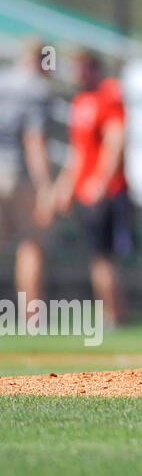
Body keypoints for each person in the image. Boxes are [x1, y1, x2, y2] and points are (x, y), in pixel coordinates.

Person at [51, 50, 130, 326]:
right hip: (84, 191)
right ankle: (112, 314)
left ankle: (115, 316)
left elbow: (114, 141)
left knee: (103, 257)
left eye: (81, 66)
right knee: (97, 256)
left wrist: (101, 180)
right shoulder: (80, 101)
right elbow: (77, 152)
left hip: (105, 192)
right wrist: (64, 187)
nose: (76, 72)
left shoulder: (108, 95)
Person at [2, 39, 56, 324]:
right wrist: (46, 187)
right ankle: (32, 319)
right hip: (17, 174)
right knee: (31, 244)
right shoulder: (36, 89)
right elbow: (34, 141)